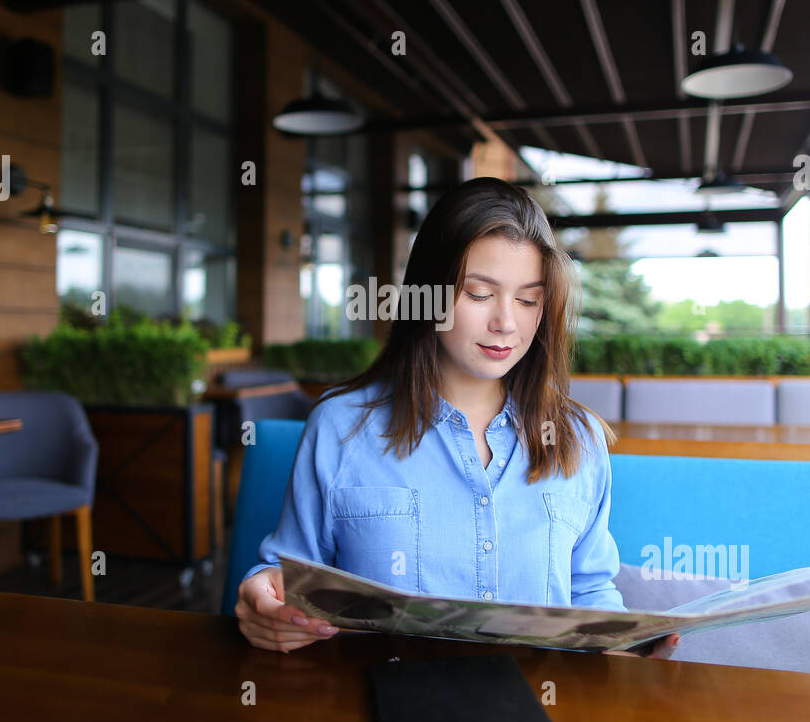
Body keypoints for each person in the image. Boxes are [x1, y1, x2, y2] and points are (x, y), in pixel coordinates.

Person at [236, 177, 678, 659]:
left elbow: (590, 590)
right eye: (479, 294)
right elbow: (289, 575)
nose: (505, 322)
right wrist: (265, 600)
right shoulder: (342, 427)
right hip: (384, 690)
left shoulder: (579, 438)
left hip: (542, 697)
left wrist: (624, 653)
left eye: (528, 300)